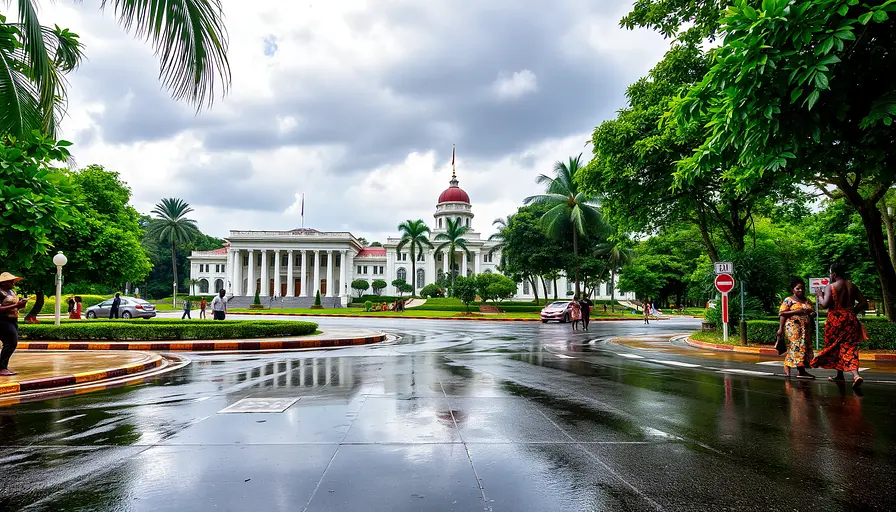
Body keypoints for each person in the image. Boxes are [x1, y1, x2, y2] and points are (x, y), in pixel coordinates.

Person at [811, 262, 868, 388]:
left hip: (835, 320)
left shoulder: (830, 287)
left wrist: (820, 296)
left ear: (834, 274)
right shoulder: (852, 285)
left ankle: (850, 375)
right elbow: (863, 302)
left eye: (830, 273)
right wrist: (852, 311)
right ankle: (847, 375)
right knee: (849, 346)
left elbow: (825, 304)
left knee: (834, 345)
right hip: (850, 319)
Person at [777, 277, 816, 379]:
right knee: (794, 348)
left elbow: (811, 312)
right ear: (793, 289)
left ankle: (802, 371)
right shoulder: (788, 300)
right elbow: (782, 313)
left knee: (803, 348)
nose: (800, 290)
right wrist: (780, 329)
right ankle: (788, 369)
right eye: (798, 289)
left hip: (806, 330)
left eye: (802, 288)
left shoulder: (807, 300)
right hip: (793, 329)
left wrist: (811, 314)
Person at [0, 272, 28, 376]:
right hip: (2, 321)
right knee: (11, 343)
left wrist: (20, 305)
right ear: (3, 283)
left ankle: (3, 366)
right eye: (10, 281)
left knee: (11, 343)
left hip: (12, 320)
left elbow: (15, 306)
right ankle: (1, 367)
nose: (13, 283)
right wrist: (16, 305)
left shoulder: (11, 292)